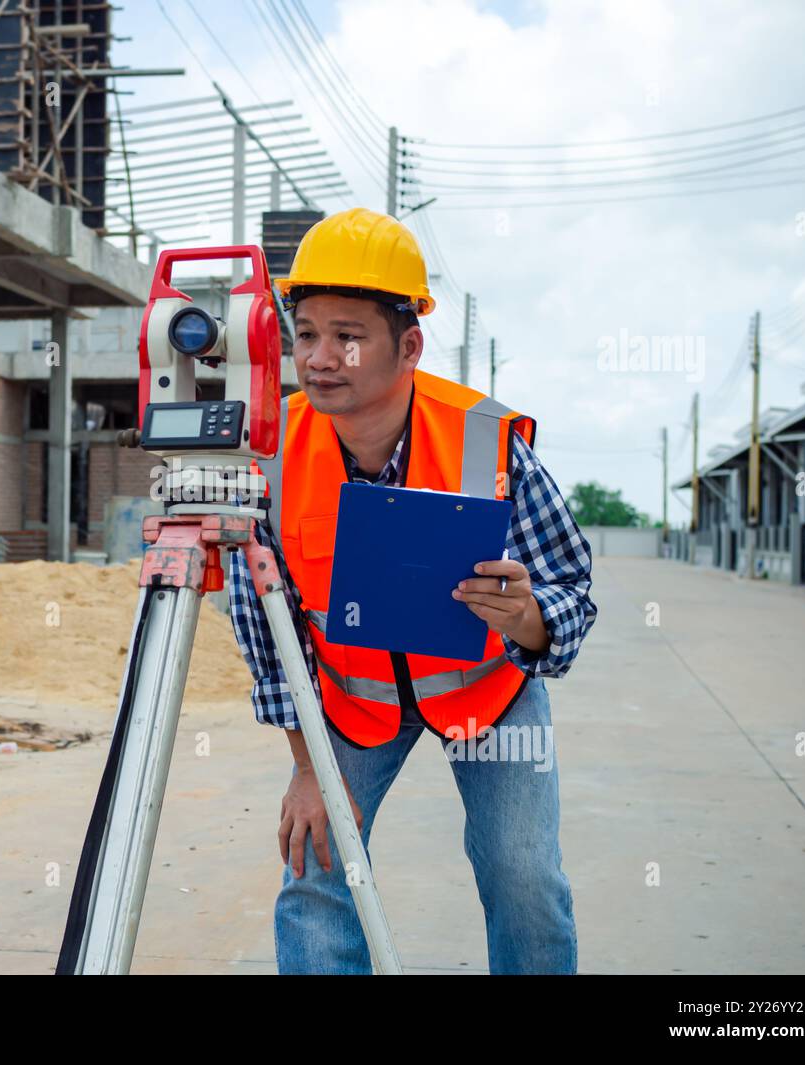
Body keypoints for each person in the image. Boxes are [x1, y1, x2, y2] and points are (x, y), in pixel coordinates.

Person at [228, 206, 598, 975]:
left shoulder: (482, 438)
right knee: (317, 868)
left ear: (410, 344)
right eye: (306, 334)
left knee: (524, 876)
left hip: (487, 693)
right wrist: (305, 765)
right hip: (353, 704)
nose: (321, 357)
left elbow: (571, 587)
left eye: (349, 335)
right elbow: (265, 630)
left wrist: (528, 617)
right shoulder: (272, 454)